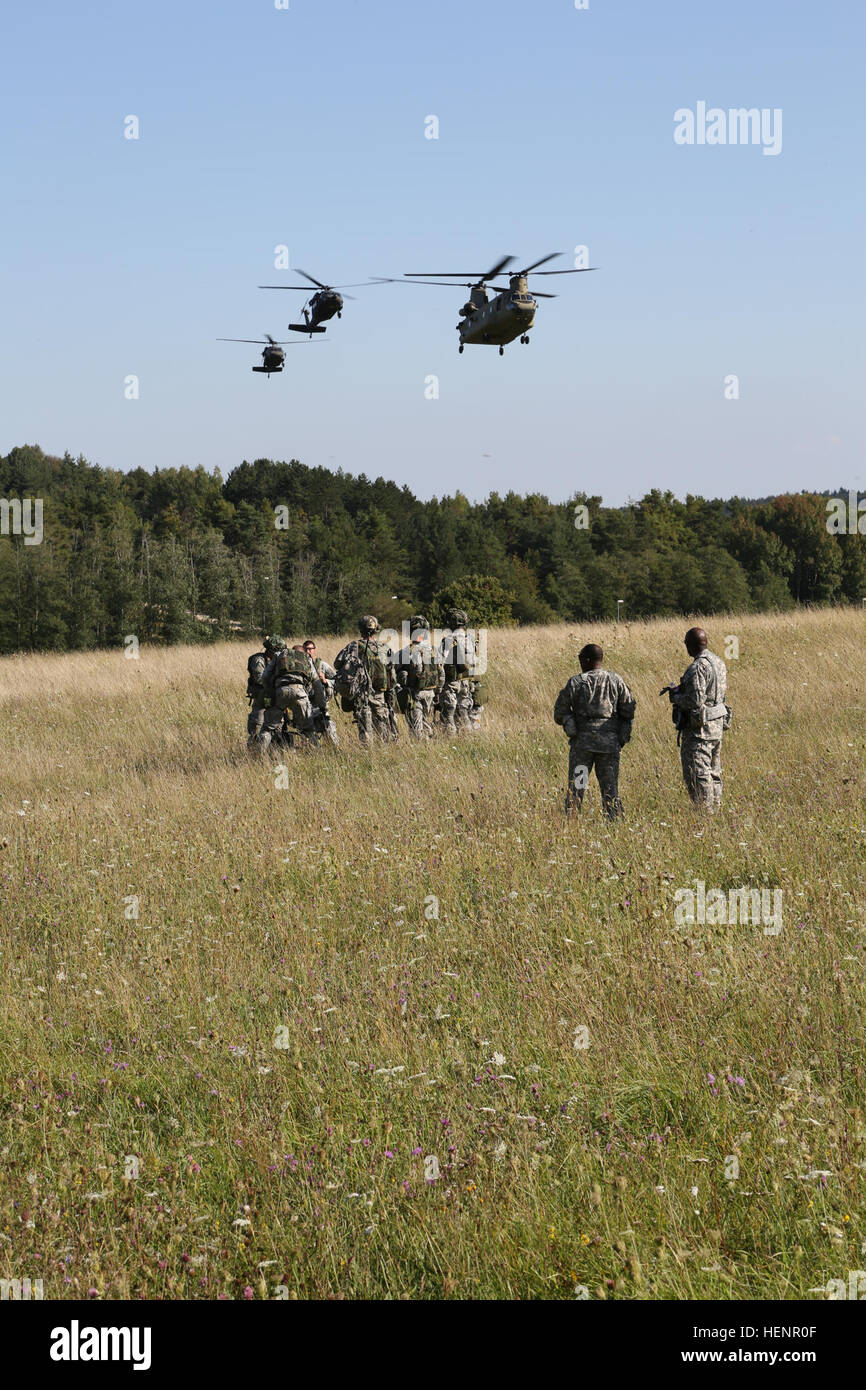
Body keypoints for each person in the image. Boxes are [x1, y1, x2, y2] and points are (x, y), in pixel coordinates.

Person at [553, 642, 636, 819]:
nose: (580, 662)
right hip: (609, 746)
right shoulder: (616, 680)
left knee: (577, 787)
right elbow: (629, 708)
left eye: (581, 658)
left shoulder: (576, 682)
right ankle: (614, 825)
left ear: (588, 660)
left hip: (583, 747)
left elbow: (559, 711)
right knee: (610, 790)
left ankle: (572, 825)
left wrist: (569, 722)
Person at [666, 627, 730, 812]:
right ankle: (716, 810)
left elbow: (695, 701)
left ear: (692, 644)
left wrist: (675, 696)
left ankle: (704, 814)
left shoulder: (697, 667)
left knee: (698, 774)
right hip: (716, 727)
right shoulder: (718, 662)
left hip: (700, 730)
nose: (685, 646)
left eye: (686, 643)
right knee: (714, 772)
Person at [333, 616, 397, 747]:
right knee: (382, 724)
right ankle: (384, 752)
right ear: (376, 630)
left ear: (361, 629)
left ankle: (368, 754)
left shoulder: (354, 646)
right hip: (380, 693)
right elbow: (392, 672)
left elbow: (337, 663)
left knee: (365, 728)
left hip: (361, 694)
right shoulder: (385, 647)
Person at [256, 642, 318, 750]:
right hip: (300, 692)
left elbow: (265, 677)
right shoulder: (307, 659)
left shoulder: (279, 655)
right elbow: (316, 681)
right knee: (309, 729)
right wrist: (321, 704)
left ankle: (258, 755)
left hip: (281, 691)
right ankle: (318, 753)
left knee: (268, 728)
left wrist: (271, 691)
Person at [395, 615, 440, 740]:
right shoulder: (434, 650)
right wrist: (438, 693)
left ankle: (422, 749)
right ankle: (430, 743)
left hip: (414, 694)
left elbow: (393, 670)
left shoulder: (405, 652)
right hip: (430, 693)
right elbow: (441, 674)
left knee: (416, 729)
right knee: (424, 721)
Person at [439, 609, 480, 735]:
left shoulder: (448, 640)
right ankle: (467, 736)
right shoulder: (470, 639)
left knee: (449, 713)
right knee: (463, 711)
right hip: (466, 681)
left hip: (451, 682)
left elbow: (440, 663)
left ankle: (450, 738)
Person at [246, 634, 283, 747]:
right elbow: (259, 679)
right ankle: (253, 753)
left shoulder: (277, 661)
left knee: (277, 726)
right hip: (261, 697)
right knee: (257, 727)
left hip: (275, 697)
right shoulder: (259, 660)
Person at [303, 639, 339, 746]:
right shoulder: (300, 666)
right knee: (307, 730)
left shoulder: (322, 665)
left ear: (314, 650)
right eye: (306, 649)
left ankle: (334, 748)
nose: (308, 651)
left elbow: (337, 680)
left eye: (310, 649)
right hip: (306, 704)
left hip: (321, 704)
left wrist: (325, 681)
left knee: (329, 727)